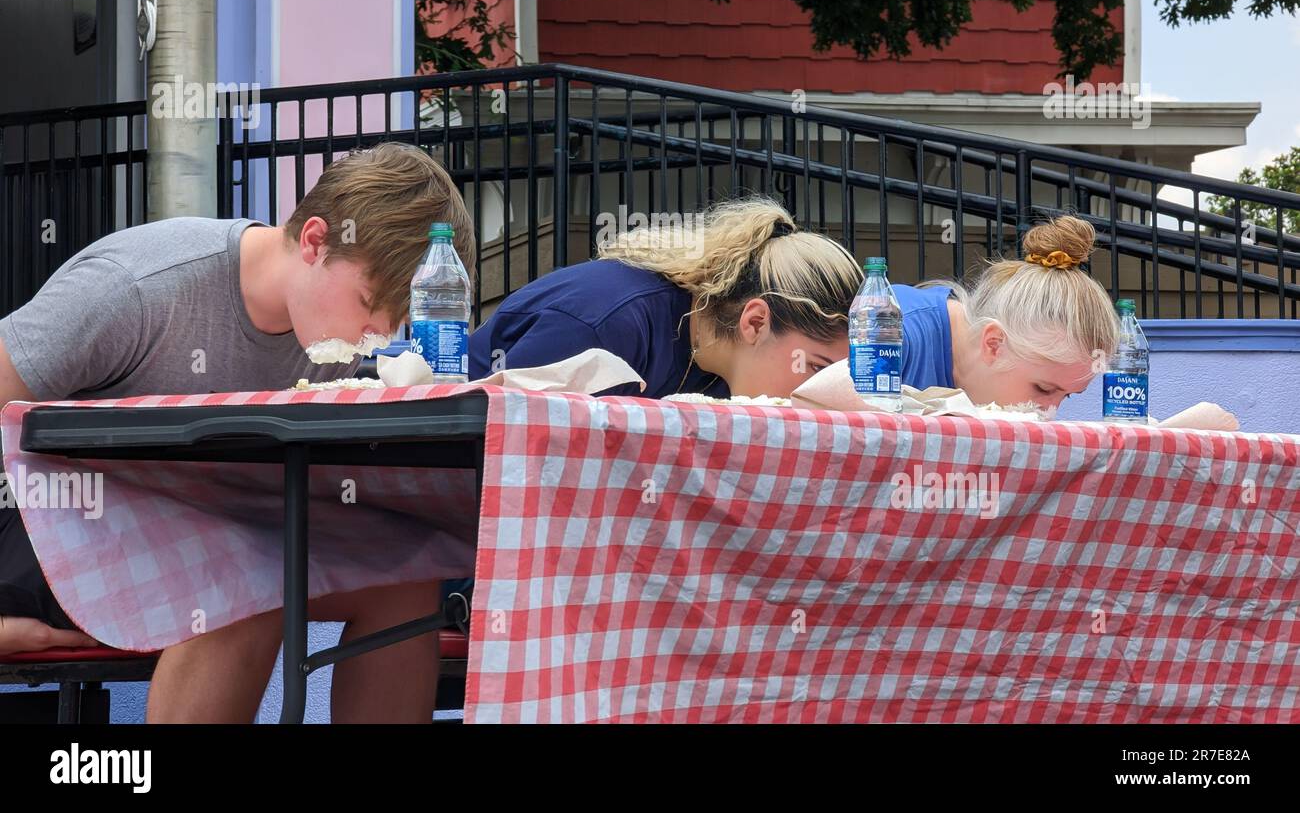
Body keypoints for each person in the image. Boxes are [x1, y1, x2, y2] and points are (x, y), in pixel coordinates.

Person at [0, 142, 475, 723]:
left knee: (402, 583)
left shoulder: (329, 337)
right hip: (53, 534)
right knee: (248, 571)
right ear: (314, 241)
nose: (378, 335)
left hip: (199, 529)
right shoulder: (137, 287)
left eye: (393, 320)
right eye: (370, 303)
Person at [470, 198, 863, 399]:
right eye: (815, 367)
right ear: (755, 322)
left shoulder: (725, 368)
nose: (824, 391)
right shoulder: (606, 324)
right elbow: (517, 449)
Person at [892, 214, 1118, 414]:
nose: (1049, 413)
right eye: (1044, 388)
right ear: (993, 344)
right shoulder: (892, 328)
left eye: (1066, 395)